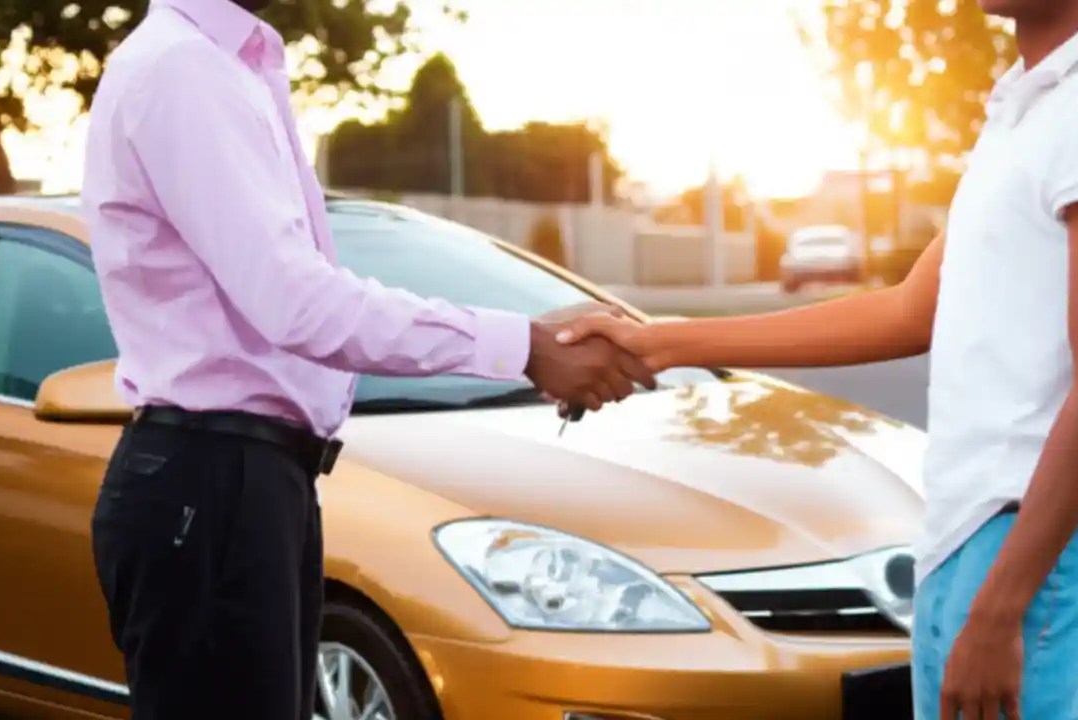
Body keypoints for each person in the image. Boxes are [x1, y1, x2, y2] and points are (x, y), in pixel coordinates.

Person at [558, 2, 1078, 718]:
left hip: (1044, 553)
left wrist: (999, 610)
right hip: (973, 540)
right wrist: (665, 342)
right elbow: (908, 310)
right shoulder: (1031, 110)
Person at [80, 0, 652, 716]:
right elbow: (298, 302)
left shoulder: (225, 66)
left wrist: (530, 335)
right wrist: (522, 346)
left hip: (243, 483)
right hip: (214, 485)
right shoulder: (182, 69)